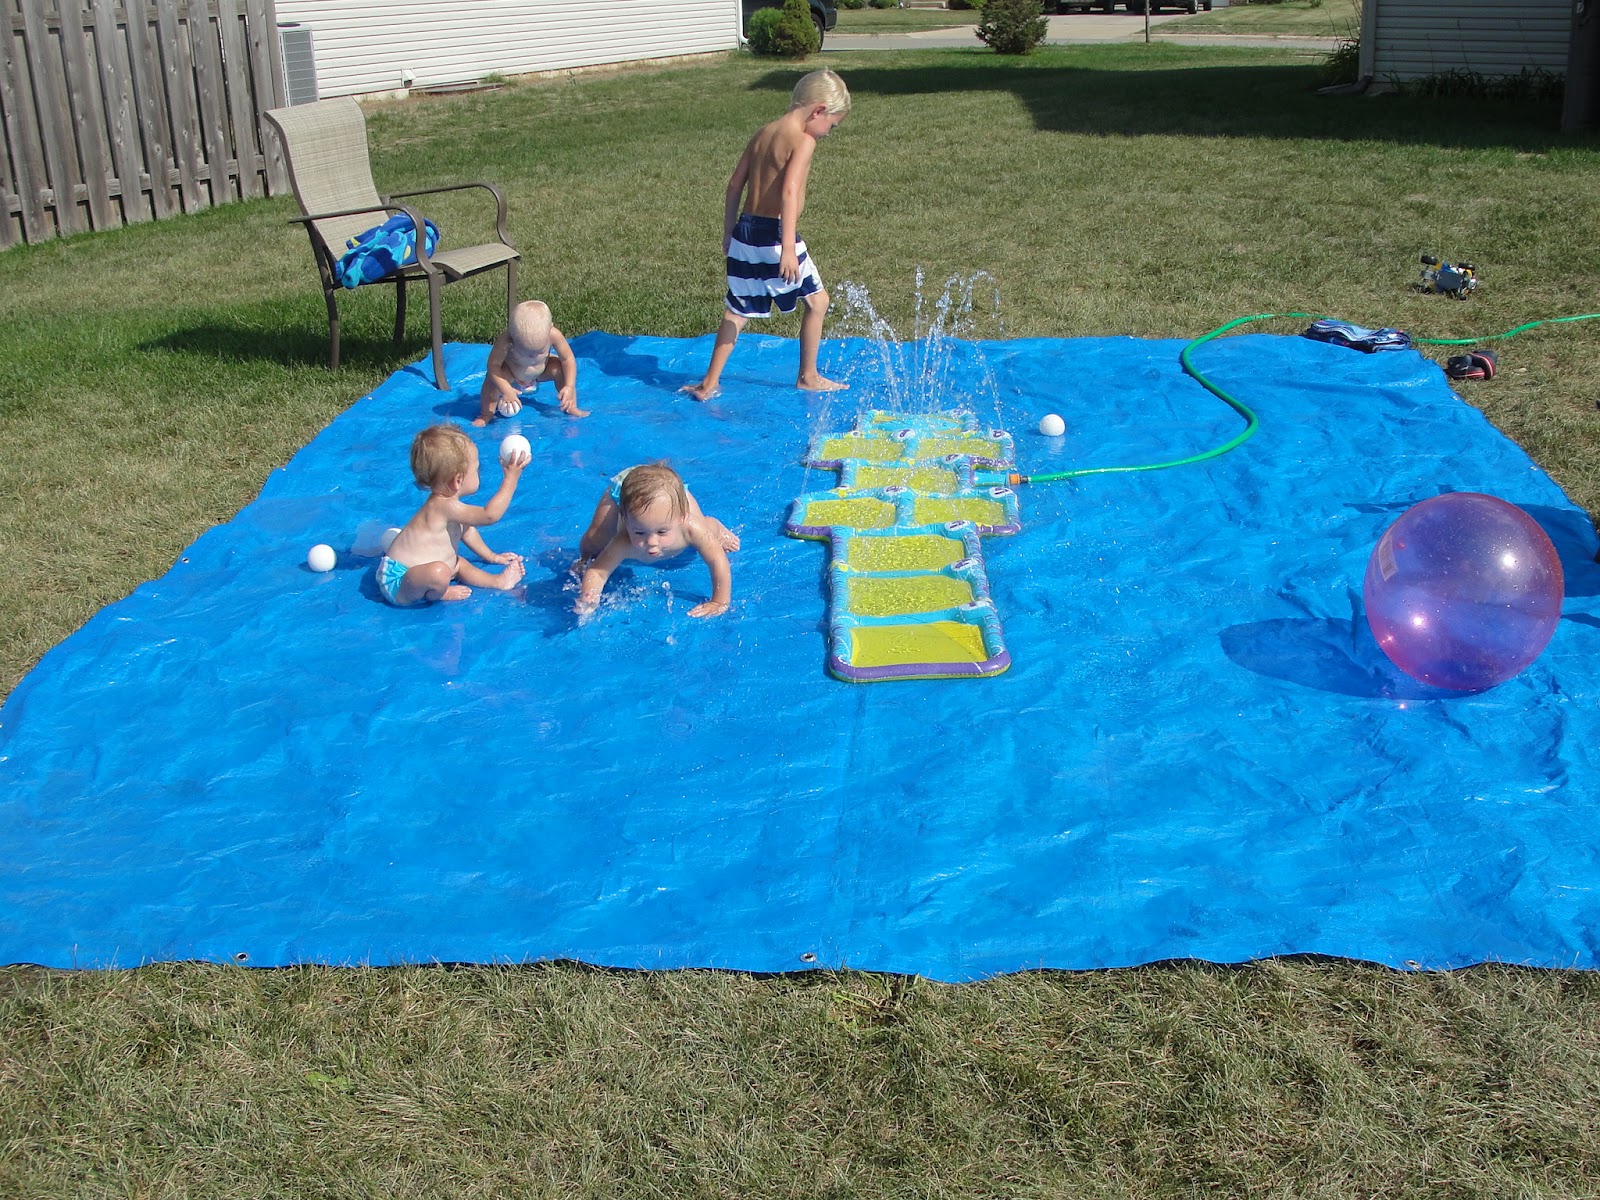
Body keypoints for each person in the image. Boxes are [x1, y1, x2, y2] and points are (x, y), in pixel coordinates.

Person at [681, 68, 851, 402]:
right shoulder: (803, 139)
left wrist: (729, 230)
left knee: (737, 310)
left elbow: (734, 185)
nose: (827, 134)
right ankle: (808, 376)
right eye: (831, 126)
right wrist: (788, 247)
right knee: (819, 301)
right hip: (776, 235)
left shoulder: (763, 133)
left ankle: (709, 383)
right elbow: (789, 192)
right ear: (818, 110)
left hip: (745, 232)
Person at [375, 424, 529, 605]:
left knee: (457, 563)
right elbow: (490, 516)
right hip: (399, 583)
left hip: (419, 575)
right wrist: (511, 479)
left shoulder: (449, 508)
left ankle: (498, 581)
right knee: (440, 571)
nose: (480, 472)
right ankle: (438, 592)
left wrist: (492, 556)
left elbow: (467, 531)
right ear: (457, 480)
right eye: (477, 469)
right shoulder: (443, 507)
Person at [572, 463, 740, 619]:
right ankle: (583, 558)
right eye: (639, 532)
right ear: (626, 520)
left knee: (705, 527)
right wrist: (589, 596)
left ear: (681, 517)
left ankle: (714, 525)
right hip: (624, 486)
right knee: (595, 541)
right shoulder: (623, 540)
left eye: (661, 532)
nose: (651, 541)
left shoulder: (690, 527)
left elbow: (716, 559)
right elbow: (598, 572)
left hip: (669, 494)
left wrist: (719, 601)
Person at [475, 299, 586, 426]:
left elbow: (568, 359)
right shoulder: (506, 339)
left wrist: (570, 386)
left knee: (559, 368)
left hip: (541, 372)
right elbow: (492, 365)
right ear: (512, 335)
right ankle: (486, 413)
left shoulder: (553, 335)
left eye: (539, 351)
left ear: (550, 328)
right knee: (492, 379)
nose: (532, 356)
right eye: (524, 351)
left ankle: (570, 405)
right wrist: (505, 389)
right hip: (513, 374)